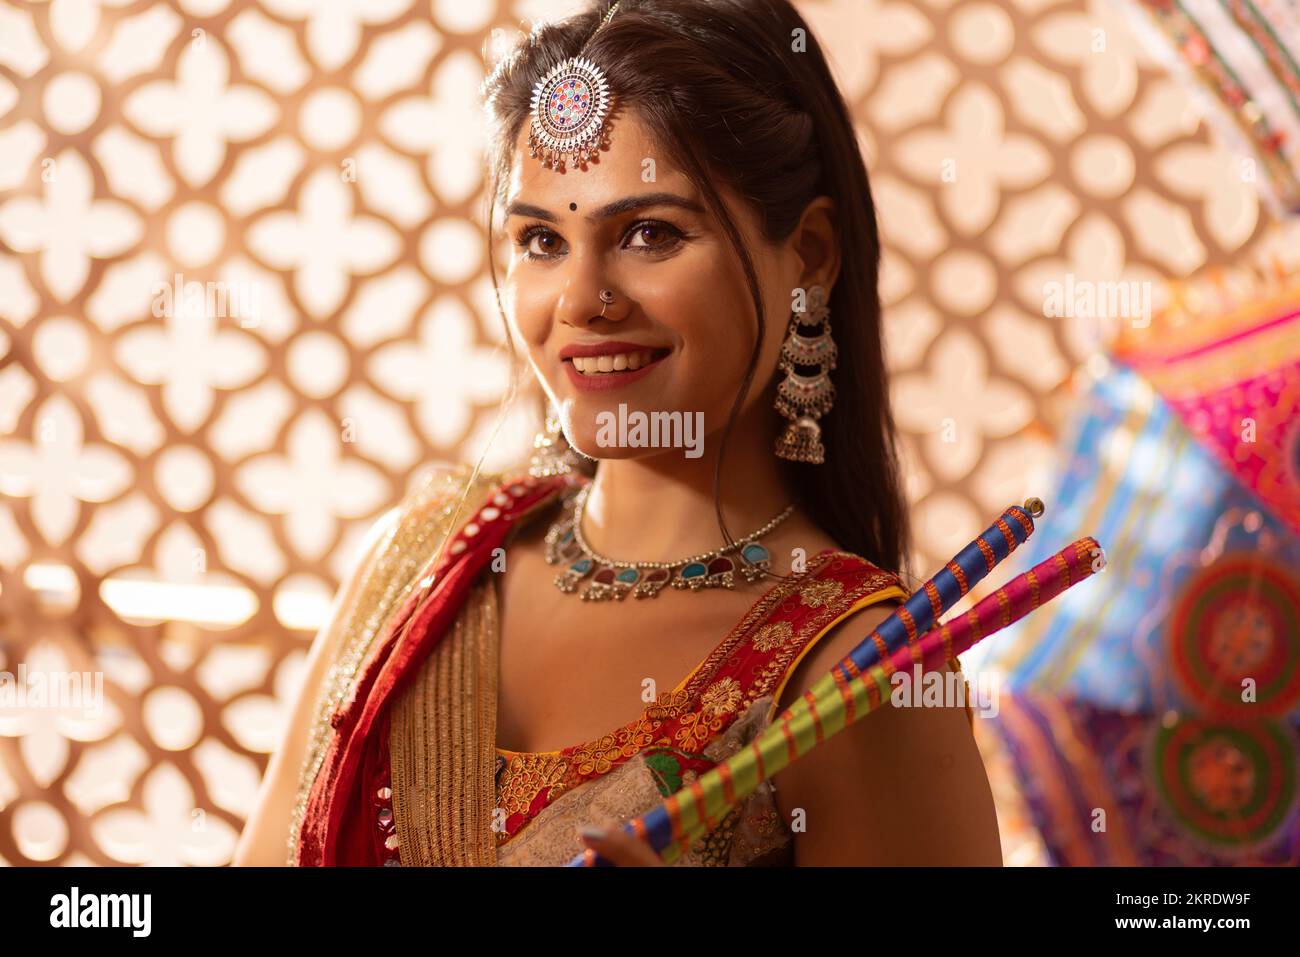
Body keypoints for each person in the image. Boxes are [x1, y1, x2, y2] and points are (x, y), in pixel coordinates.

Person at [234, 0, 1001, 867]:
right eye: (540, 239)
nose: (578, 301)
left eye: (648, 232)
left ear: (812, 255)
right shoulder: (419, 560)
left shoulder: (863, 674)